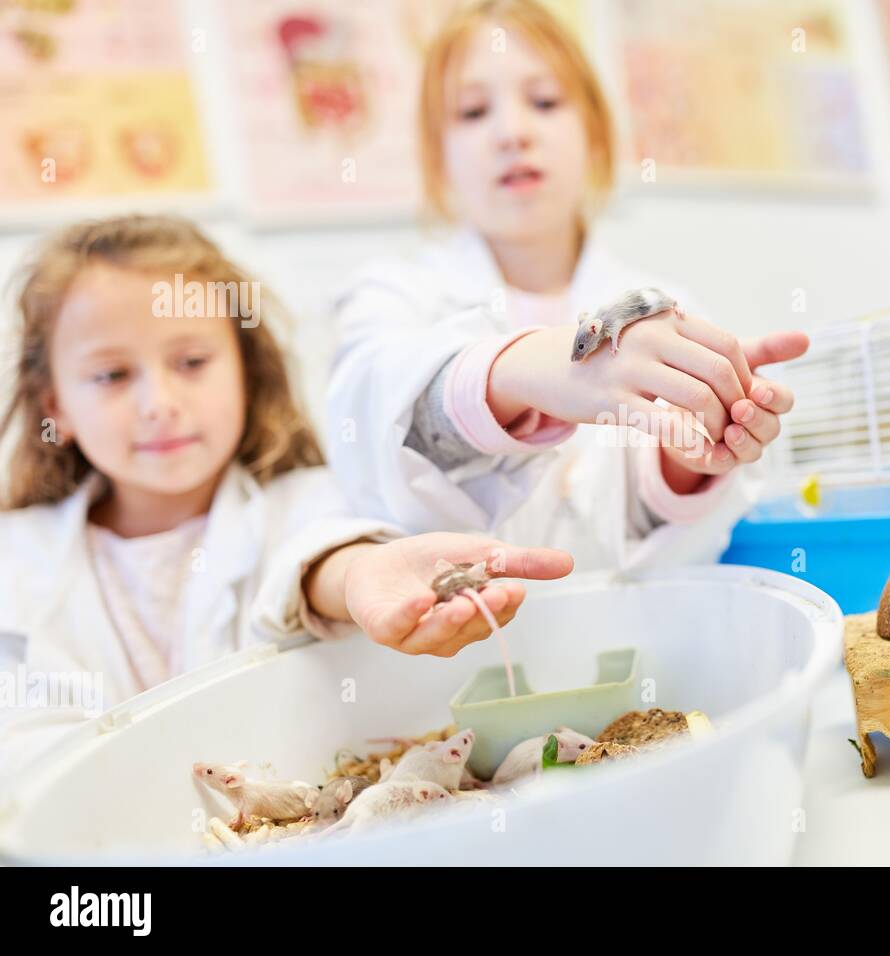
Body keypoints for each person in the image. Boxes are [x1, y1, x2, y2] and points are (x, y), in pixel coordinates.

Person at [0, 215, 572, 770]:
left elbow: (318, 560)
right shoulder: (17, 557)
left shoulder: (307, 505)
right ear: (56, 407)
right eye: (112, 376)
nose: (159, 404)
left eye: (192, 362)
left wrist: (358, 575)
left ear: (246, 370)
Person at [326, 0, 808, 571]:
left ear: (596, 134)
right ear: (438, 159)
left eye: (545, 102)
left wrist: (693, 462)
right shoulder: (393, 297)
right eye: (474, 111)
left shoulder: (662, 310)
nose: (512, 132)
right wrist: (522, 372)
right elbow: (373, 418)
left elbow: (671, 532)